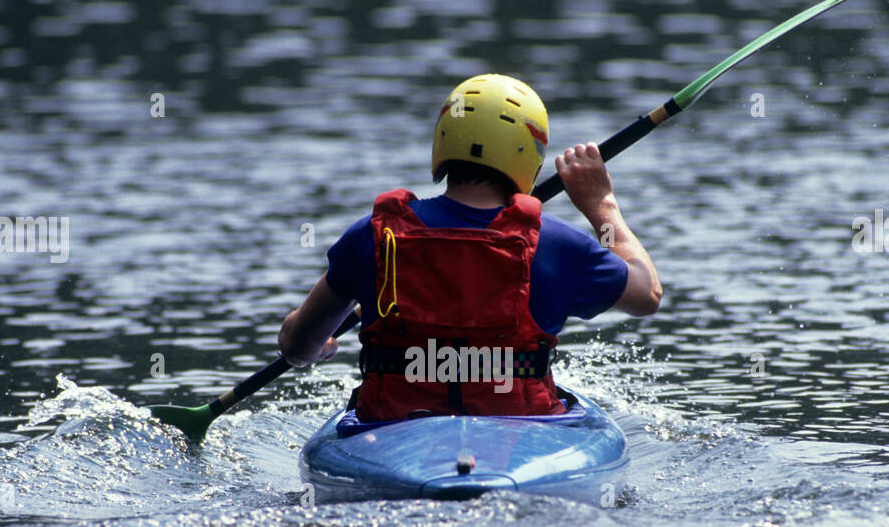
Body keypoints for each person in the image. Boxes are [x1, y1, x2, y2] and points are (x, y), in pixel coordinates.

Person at [278, 73, 661, 421]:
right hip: (523, 433)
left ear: (443, 142)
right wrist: (601, 203)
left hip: (392, 431)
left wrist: (321, 346)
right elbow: (647, 295)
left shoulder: (372, 235)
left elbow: (297, 346)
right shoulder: (557, 244)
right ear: (530, 155)